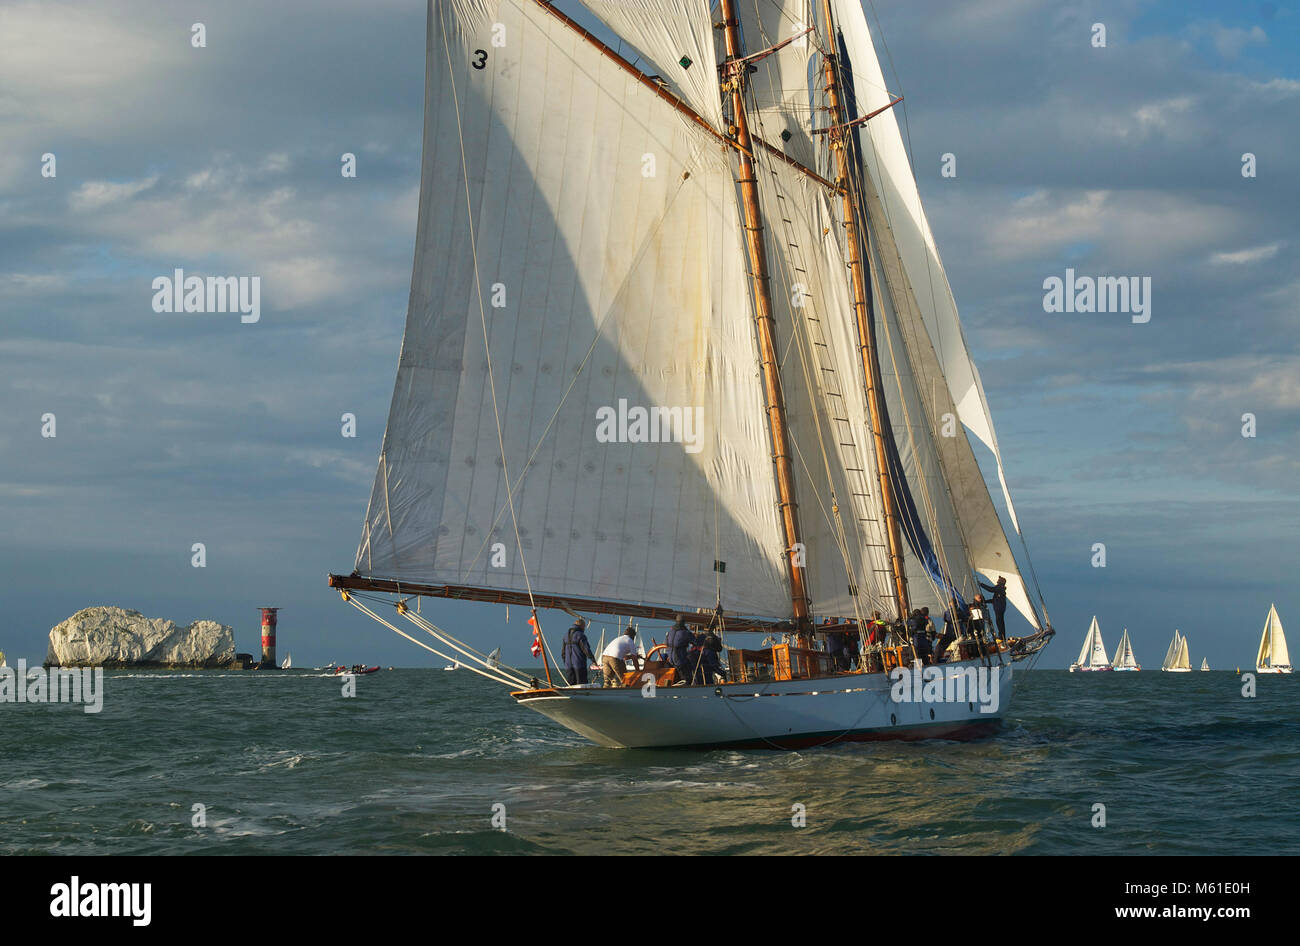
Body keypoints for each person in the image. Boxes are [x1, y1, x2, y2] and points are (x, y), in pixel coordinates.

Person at [561, 617, 596, 685]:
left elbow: (563, 653)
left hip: (568, 666)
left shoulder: (565, 636)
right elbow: (586, 649)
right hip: (579, 664)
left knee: (571, 685)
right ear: (582, 626)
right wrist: (593, 659)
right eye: (584, 627)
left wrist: (565, 662)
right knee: (582, 684)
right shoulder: (580, 635)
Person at [666, 614, 697, 686]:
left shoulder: (670, 632)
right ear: (683, 622)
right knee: (688, 678)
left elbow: (666, 644)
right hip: (680, 661)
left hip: (671, 660)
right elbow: (695, 642)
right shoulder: (685, 633)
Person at [978, 575, 1009, 640]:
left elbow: (991, 589)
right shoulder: (1001, 589)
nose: (997, 580)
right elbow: (994, 600)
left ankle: (1001, 637)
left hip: (999, 608)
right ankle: (1002, 636)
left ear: (1001, 582)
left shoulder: (999, 587)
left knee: (999, 622)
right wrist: (985, 601)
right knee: (1000, 622)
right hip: (1001, 607)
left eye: (999, 579)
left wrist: (981, 584)